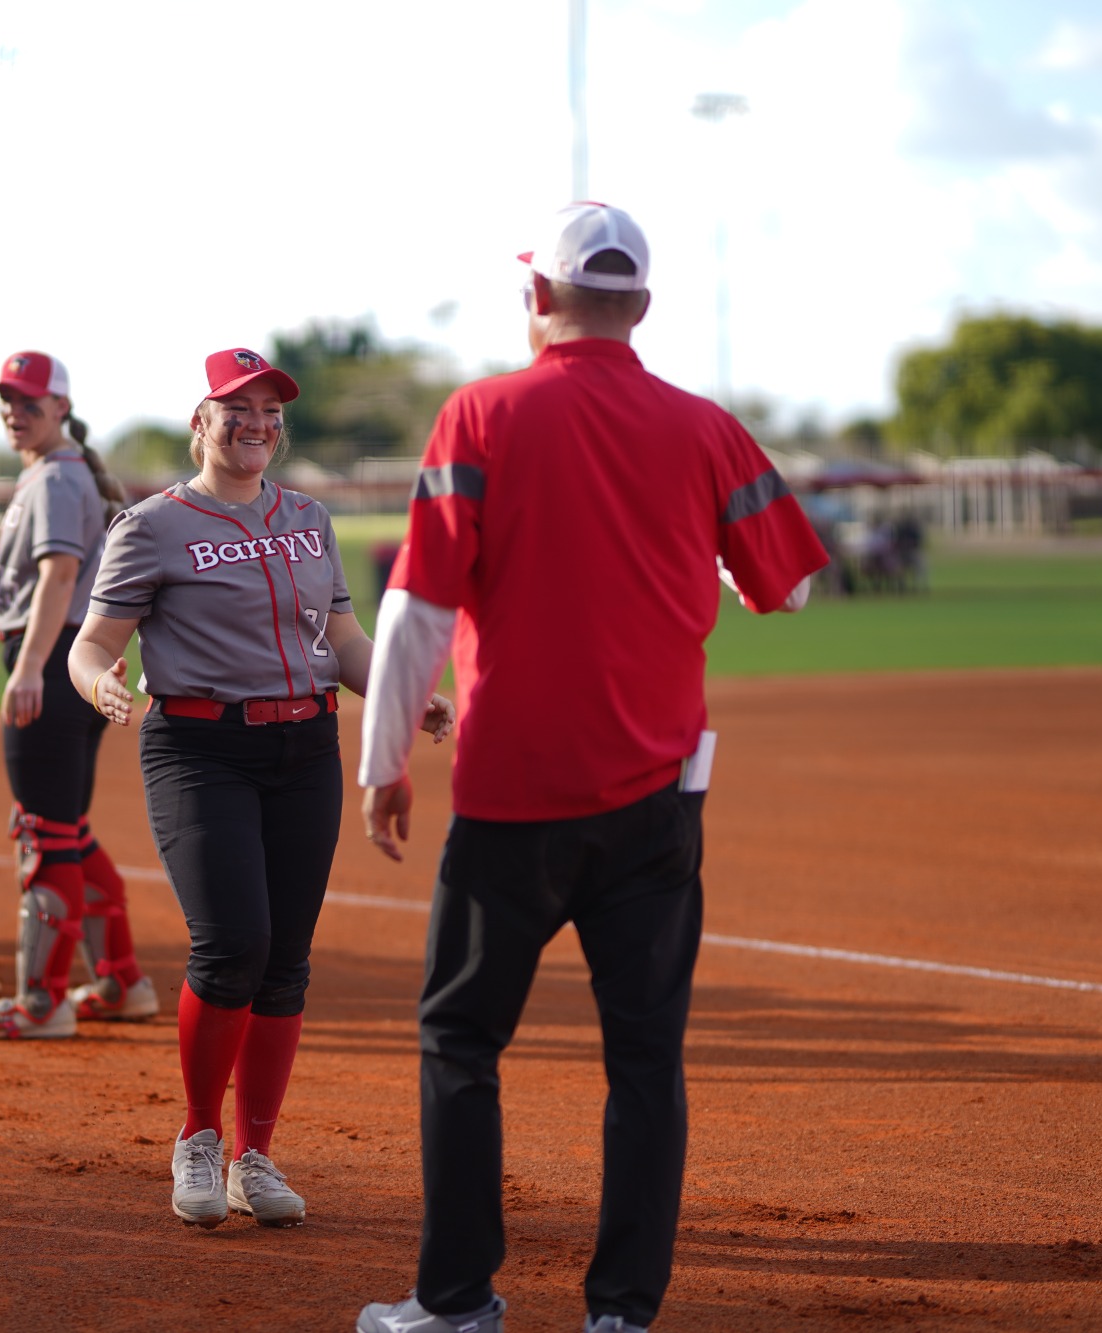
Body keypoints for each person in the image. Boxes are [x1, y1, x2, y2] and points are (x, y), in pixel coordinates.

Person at [353, 203, 829, 1333]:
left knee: (461, 1042)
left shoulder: (480, 413)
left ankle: (457, 1302)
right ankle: (621, 1315)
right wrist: (680, 560)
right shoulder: (705, 429)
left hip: (511, 800)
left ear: (537, 302)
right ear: (642, 308)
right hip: (656, 808)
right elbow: (789, 586)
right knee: (644, 1061)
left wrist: (383, 761)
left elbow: (417, 604)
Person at [69, 347, 452, 1227]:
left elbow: (346, 641)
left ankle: (257, 1156)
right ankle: (199, 1137)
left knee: (285, 959)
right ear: (199, 423)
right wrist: (102, 683)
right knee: (232, 942)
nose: (256, 424)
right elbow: (89, 645)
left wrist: (401, 691)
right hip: (201, 749)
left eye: (270, 412)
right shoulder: (153, 525)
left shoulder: (310, 519)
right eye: (236, 409)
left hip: (305, 747)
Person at [0, 351, 154, 1040]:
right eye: (6, 400)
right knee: (65, 825)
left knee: (43, 829)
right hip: (73, 664)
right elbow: (52, 569)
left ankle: (42, 1001)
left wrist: (29, 666)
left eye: (28, 401)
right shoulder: (56, 473)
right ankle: (121, 978)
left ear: (60, 408)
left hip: (54, 663)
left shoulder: (55, 476)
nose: (15, 411)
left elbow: (62, 574)